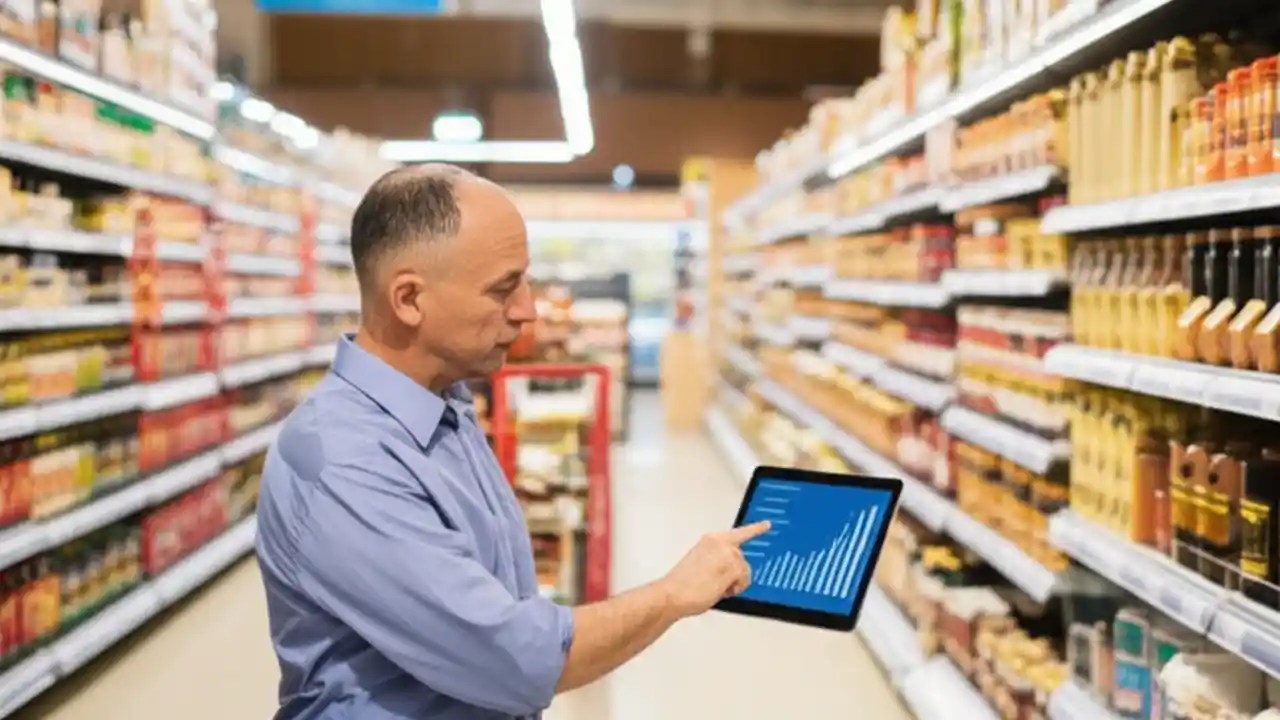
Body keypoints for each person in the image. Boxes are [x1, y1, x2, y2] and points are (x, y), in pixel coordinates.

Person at [255, 163, 770, 720]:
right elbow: (517, 660)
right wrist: (672, 594)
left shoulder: (445, 402)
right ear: (408, 299)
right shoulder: (340, 461)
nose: (527, 311)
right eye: (504, 289)